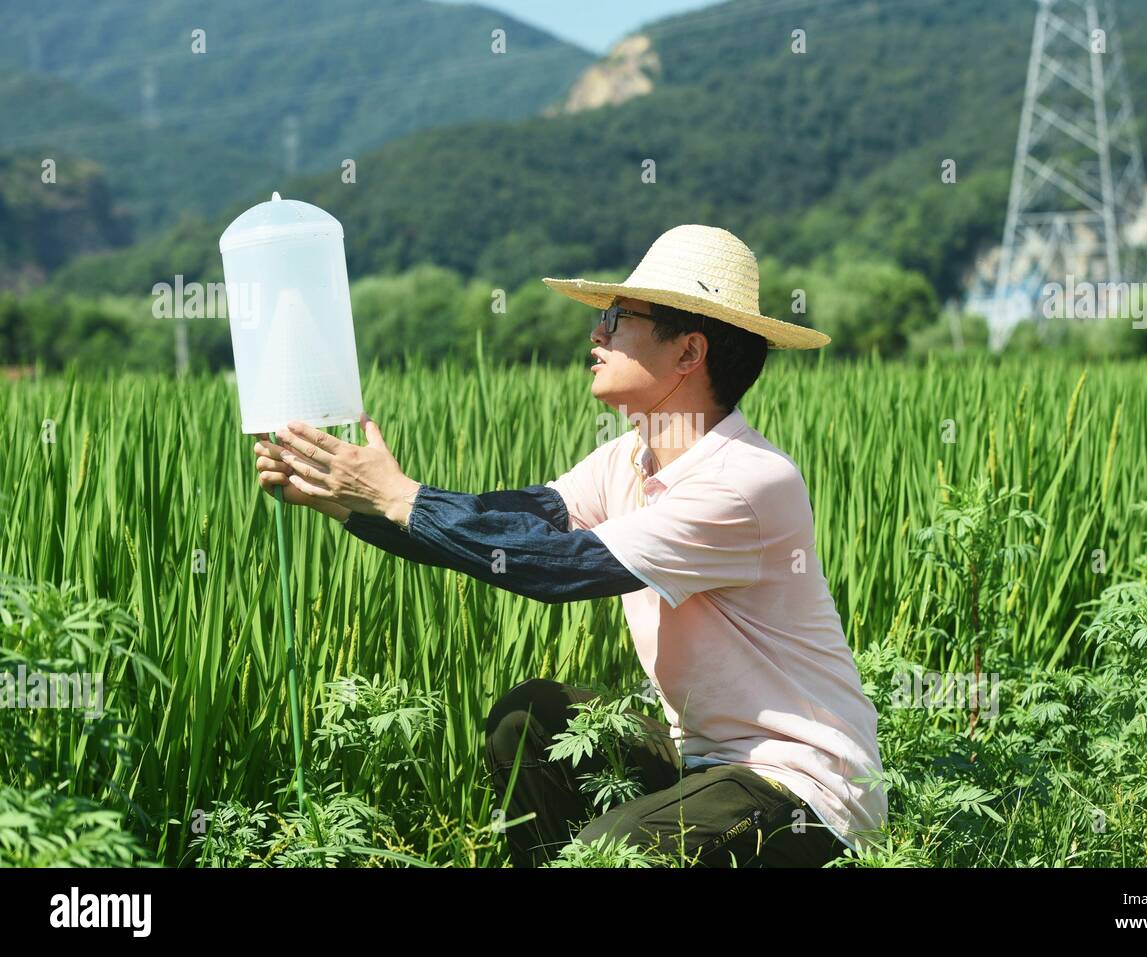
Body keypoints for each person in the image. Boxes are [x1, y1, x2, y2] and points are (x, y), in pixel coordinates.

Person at [251, 224, 888, 867]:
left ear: (690, 351)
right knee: (526, 719)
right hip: (701, 760)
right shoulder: (625, 460)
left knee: (611, 852)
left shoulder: (746, 481)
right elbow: (507, 524)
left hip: (804, 790)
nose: (597, 333)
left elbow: (562, 568)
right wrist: (350, 502)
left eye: (618, 317)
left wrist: (398, 496)